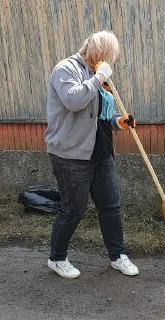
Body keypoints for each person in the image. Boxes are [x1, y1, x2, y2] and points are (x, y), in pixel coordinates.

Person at [45, 30, 139, 279]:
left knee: (111, 207)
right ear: (96, 52)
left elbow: (98, 117)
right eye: (106, 56)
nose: (108, 62)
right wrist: (98, 77)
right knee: (73, 209)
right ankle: (57, 258)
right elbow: (74, 101)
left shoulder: (96, 74)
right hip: (71, 156)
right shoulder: (65, 69)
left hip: (101, 152)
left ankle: (118, 255)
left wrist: (119, 122)